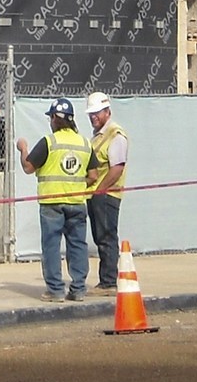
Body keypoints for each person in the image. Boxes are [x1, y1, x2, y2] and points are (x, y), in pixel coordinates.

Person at [17, 97, 93, 301]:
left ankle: (56, 290)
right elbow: (93, 176)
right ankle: (78, 289)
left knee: (51, 245)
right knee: (77, 245)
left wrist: (23, 148)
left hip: (52, 204)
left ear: (53, 119)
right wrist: (75, 182)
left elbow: (28, 167)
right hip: (77, 202)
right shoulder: (85, 143)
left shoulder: (49, 142)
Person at [84, 92, 129, 292]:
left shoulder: (115, 135)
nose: (93, 117)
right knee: (100, 236)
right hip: (97, 195)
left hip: (107, 195)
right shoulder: (98, 137)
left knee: (107, 236)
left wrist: (100, 191)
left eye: (97, 113)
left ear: (107, 111)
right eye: (91, 114)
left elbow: (117, 168)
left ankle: (109, 281)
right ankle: (105, 280)